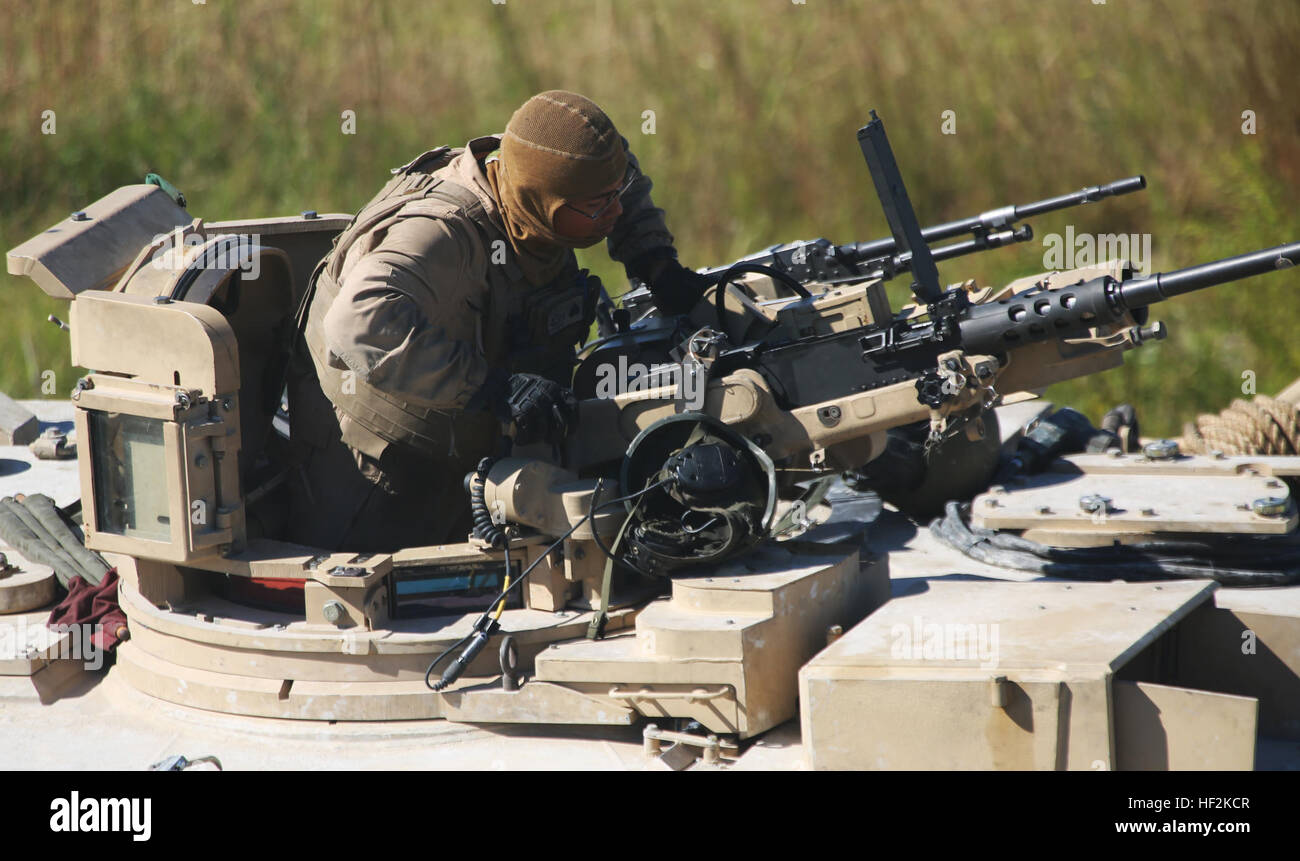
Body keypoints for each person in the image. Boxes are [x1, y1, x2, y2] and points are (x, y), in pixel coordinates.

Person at [285, 90, 711, 552]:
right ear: (539, 200)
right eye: (598, 206)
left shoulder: (550, 177)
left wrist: (655, 261)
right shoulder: (443, 234)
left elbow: (614, 174)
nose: (617, 212)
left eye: (616, 197)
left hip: (486, 449)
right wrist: (493, 388)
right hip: (379, 466)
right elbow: (357, 322)